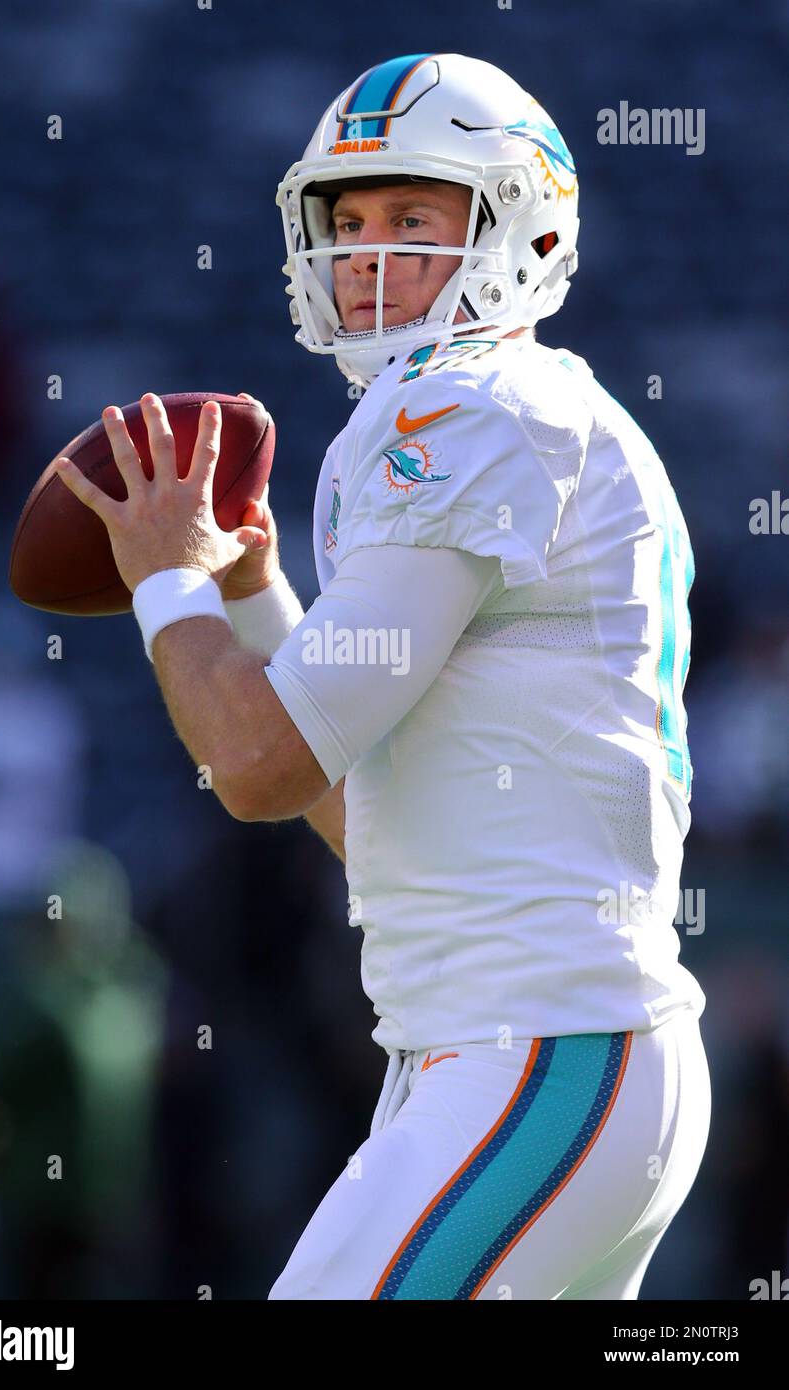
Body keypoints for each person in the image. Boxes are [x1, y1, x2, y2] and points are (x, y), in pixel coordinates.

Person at [55, 52, 711, 1300]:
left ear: (522, 224)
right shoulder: (492, 408)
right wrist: (249, 592)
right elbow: (375, 820)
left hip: (540, 1055)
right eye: (346, 222)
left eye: (414, 216)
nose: (366, 254)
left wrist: (165, 579)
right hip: (524, 1059)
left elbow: (251, 766)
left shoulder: (469, 405)